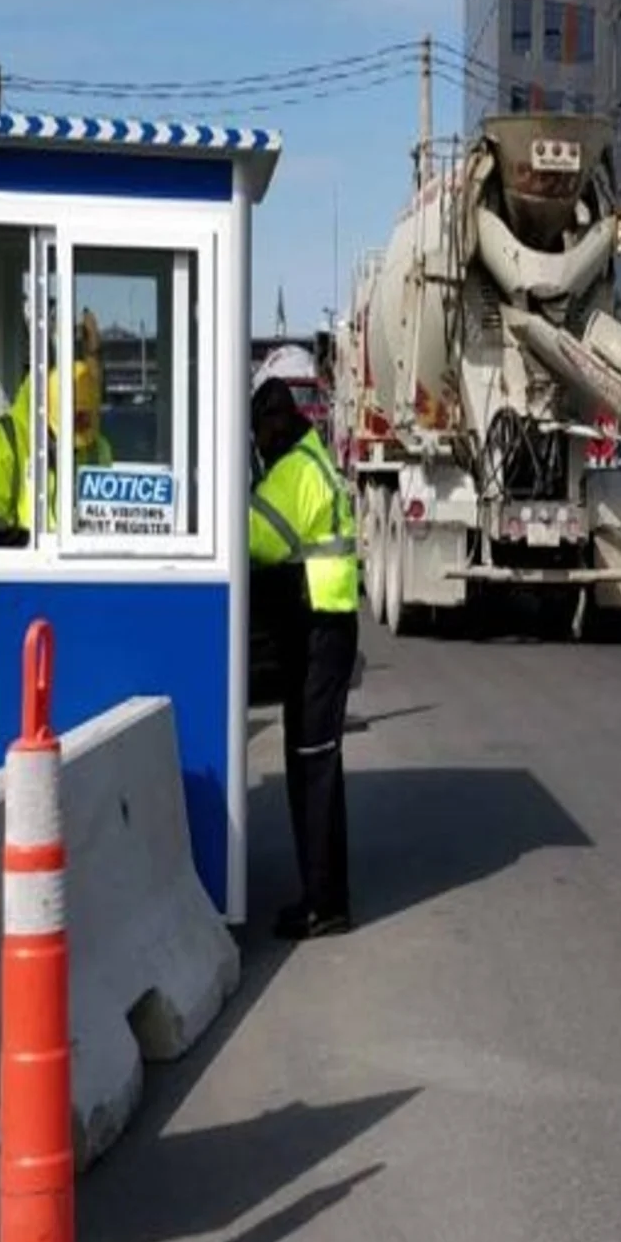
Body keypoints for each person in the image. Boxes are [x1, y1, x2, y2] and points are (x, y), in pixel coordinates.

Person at [247, 366, 362, 940]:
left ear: (274, 424)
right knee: (318, 766)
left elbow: (253, 539)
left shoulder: (294, 472)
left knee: (313, 768)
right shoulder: (312, 459)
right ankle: (324, 895)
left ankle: (324, 905)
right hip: (324, 630)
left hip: (320, 632)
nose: (259, 445)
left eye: (259, 433)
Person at [0, 358, 111, 546]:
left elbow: (108, 515)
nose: (75, 444)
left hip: (83, 557)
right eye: (73, 420)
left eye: (83, 421)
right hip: (24, 560)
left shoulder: (98, 448)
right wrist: (18, 541)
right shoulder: (6, 438)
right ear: (46, 410)